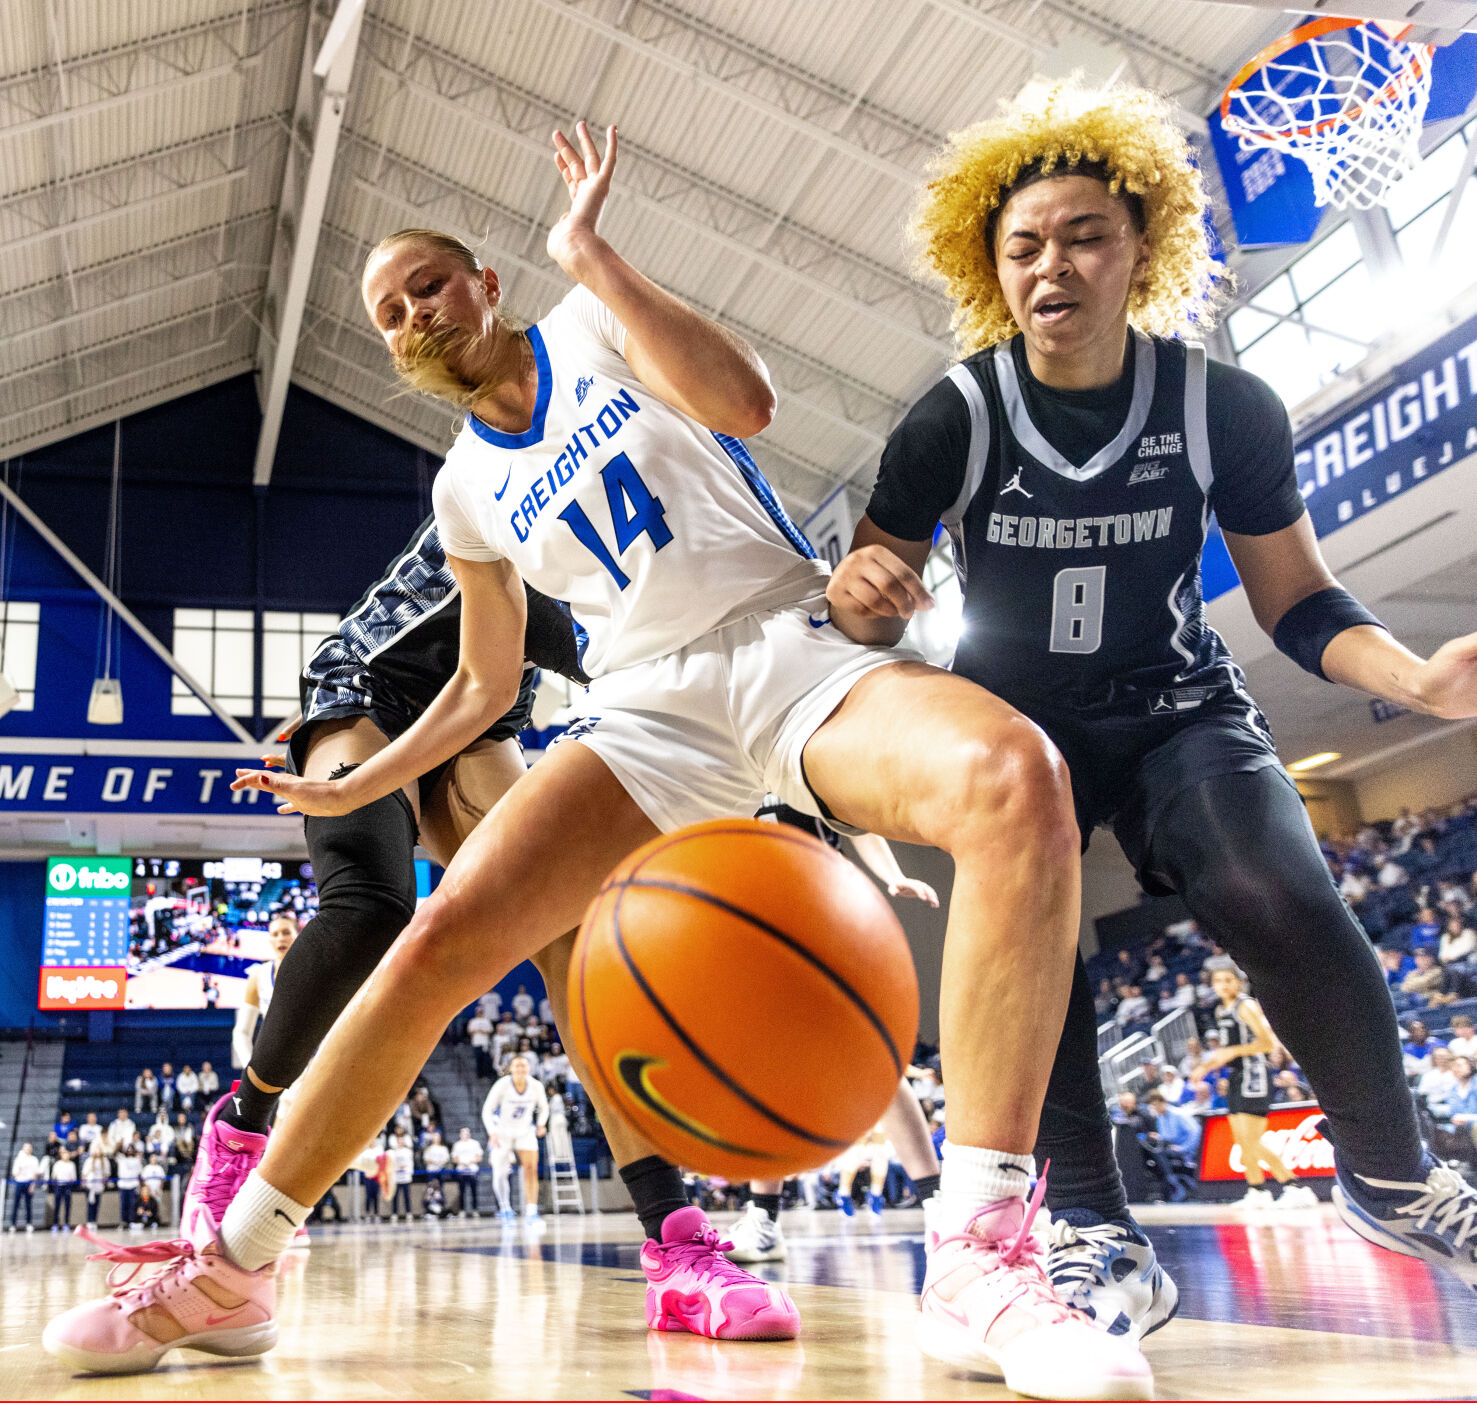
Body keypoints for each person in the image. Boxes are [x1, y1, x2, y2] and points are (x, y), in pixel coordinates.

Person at [46, 121, 1149, 1397]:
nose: (411, 313)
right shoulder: (464, 491)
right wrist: (357, 783)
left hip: (783, 647)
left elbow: (748, 404)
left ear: (486, 284)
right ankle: (235, 1269)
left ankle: (976, 1251)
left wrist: (595, 251)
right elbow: (485, 680)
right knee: (436, 938)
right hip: (643, 714)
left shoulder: (587, 322)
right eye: (391, 309)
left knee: (1021, 780)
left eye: (429, 285)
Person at [827, 77, 1477, 1330]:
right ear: (990, 266)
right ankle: (1089, 1229)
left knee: (1271, 883)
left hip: (1178, 704)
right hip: (1013, 732)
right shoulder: (954, 415)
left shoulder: (1220, 403)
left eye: (1083, 236)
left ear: (1142, 248)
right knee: (1036, 958)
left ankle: (1396, 1176)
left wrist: (1415, 677)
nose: (1050, 264)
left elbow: (1297, 601)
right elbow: (864, 606)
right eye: (1022, 245)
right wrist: (865, 593)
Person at [731, 799, 943, 1264]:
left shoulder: (798, 745)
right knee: (772, 1075)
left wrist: (893, 874)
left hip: (824, 906)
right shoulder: (715, 760)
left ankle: (937, 1205)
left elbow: (856, 821)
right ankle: (764, 1218)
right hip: (757, 920)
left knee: (875, 1063)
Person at [1192, 965, 1317, 1212]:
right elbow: (1226, 1050)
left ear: (1237, 983)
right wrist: (1204, 1068)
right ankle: (1257, 1190)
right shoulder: (1221, 1010)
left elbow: (1267, 1043)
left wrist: (1234, 1052)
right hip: (1237, 1075)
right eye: (1219, 981)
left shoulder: (1245, 1006)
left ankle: (1295, 1186)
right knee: (1240, 1139)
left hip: (1255, 1076)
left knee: (1251, 1139)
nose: (1224, 985)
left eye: (1228, 980)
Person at [482, 1055, 548, 1222]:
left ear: (528, 1069)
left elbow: (544, 1107)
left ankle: (532, 1211)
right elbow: (486, 1111)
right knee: (500, 1173)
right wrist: (492, 1131)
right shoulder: (502, 1085)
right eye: (517, 1066)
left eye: (523, 1066)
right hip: (502, 1131)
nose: (520, 1069)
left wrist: (541, 1123)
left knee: (531, 1169)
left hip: (525, 1131)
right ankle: (505, 1207)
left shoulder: (536, 1086)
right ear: (511, 1069)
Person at [233, 913, 300, 1072]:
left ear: (298, 936)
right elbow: (241, 1032)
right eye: (275, 934)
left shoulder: (315, 972)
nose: (280, 938)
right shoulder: (258, 976)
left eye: (286, 932)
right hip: (272, 1066)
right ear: (269, 939)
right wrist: (250, 1069)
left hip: (310, 1066)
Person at [450, 1128, 484, 1217]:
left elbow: (480, 1157)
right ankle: (462, 1210)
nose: (465, 1135)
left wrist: (470, 1162)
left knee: (474, 1191)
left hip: (473, 1170)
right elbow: (454, 1158)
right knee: (462, 1192)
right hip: (461, 1170)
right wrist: (462, 1162)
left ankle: (475, 1209)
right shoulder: (457, 1145)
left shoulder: (475, 1143)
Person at [9, 1143, 39, 1232]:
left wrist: (32, 1185)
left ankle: (29, 1223)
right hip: (19, 1182)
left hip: (29, 1183)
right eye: (26, 1148)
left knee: (28, 1205)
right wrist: (20, 1168)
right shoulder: (18, 1159)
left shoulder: (34, 1159)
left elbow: (35, 1173)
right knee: (16, 1204)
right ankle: (13, 1224)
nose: (28, 1149)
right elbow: (14, 1173)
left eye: (29, 1147)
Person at [114, 1143, 143, 1230]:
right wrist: (120, 1142)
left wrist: (140, 1185)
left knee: (132, 1204)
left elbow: (139, 1173)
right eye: (128, 1149)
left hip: (133, 1184)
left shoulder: (137, 1160)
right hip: (123, 1184)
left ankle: (131, 1221)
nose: (130, 1151)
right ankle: (124, 1222)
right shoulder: (121, 1159)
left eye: (132, 1149)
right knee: (123, 1204)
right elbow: (114, 1152)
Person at [388, 1130, 415, 1222]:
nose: (401, 1142)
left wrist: (408, 1172)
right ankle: (394, 1213)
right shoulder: (393, 1152)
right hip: (396, 1177)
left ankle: (408, 1212)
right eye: (399, 1141)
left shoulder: (408, 1151)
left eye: (402, 1141)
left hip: (405, 1177)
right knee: (395, 1197)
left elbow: (410, 1163)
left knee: (407, 1196)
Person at [81, 1142, 109, 1228]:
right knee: (90, 1204)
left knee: (97, 1203)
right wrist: (84, 1182)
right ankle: (89, 1220)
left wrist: (104, 1182)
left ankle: (94, 1221)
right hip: (90, 1185)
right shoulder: (89, 1160)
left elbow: (107, 1173)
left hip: (99, 1185)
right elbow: (84, 1173)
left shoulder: (104, 1161)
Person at [49, 1148, 78, 1231]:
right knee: (57, 1205)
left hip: (67, 1186)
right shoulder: (57, 1164)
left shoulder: (71, 1164)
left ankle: (66, 1223)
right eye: (64, 1153)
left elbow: (73, 1177)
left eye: (67, 1153)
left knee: (67, 1205)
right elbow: (54, 1176)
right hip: (59, 1186)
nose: (66, 1155)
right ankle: (55, 1223)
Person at [422, 1130, 451, 1211]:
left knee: (440, 1189)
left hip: (440, 1171)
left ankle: (442, 1207)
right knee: (430, 1189)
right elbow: (426, 1159)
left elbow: (446, 1159)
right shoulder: (429, 1148)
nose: (436, 1138)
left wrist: (439, 1163)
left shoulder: (443, 1148)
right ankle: (428, 1208)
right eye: (435, 1136)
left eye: (438, 1136)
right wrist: (434, 1162)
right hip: (431, 1171)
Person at [467, 1008, 495, 1080]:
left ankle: (486, 1074)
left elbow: (491, 1030)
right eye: (478, 1012)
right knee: (478, 1059)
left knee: (486, 1059)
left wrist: (484, 1031)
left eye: (481, 1012)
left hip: (485, 1043)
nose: (479, 1013)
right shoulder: (473, 1021)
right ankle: (479, 1075)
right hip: (476, 1043)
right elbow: (469, 1031)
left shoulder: (486, 1020)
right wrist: (477, 1030)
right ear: (476, 1012)